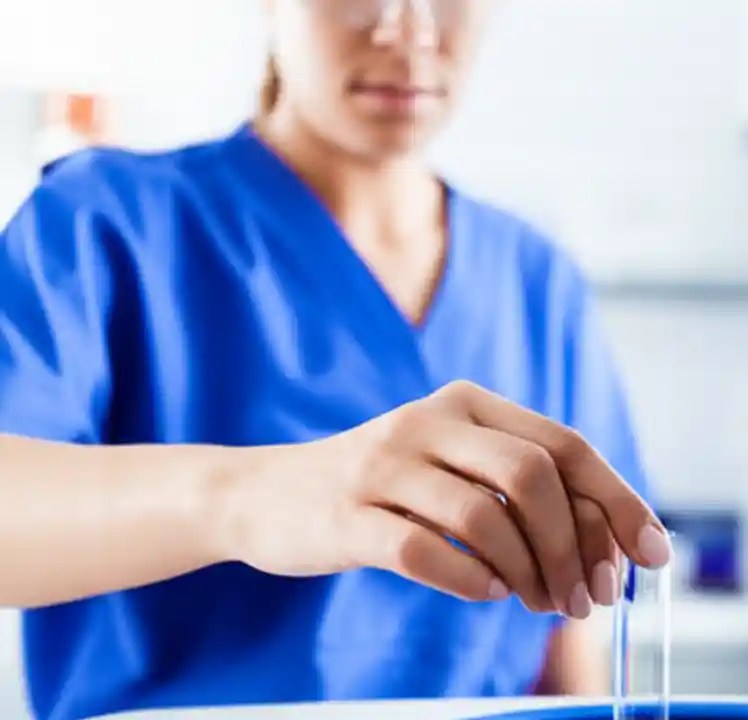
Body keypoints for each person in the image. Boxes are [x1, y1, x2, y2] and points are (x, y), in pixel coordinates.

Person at [0, 0, 670, 718]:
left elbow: (571, 627)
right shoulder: (104, 225)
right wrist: (249, 497)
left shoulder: (536, 279)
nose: (407, 31)